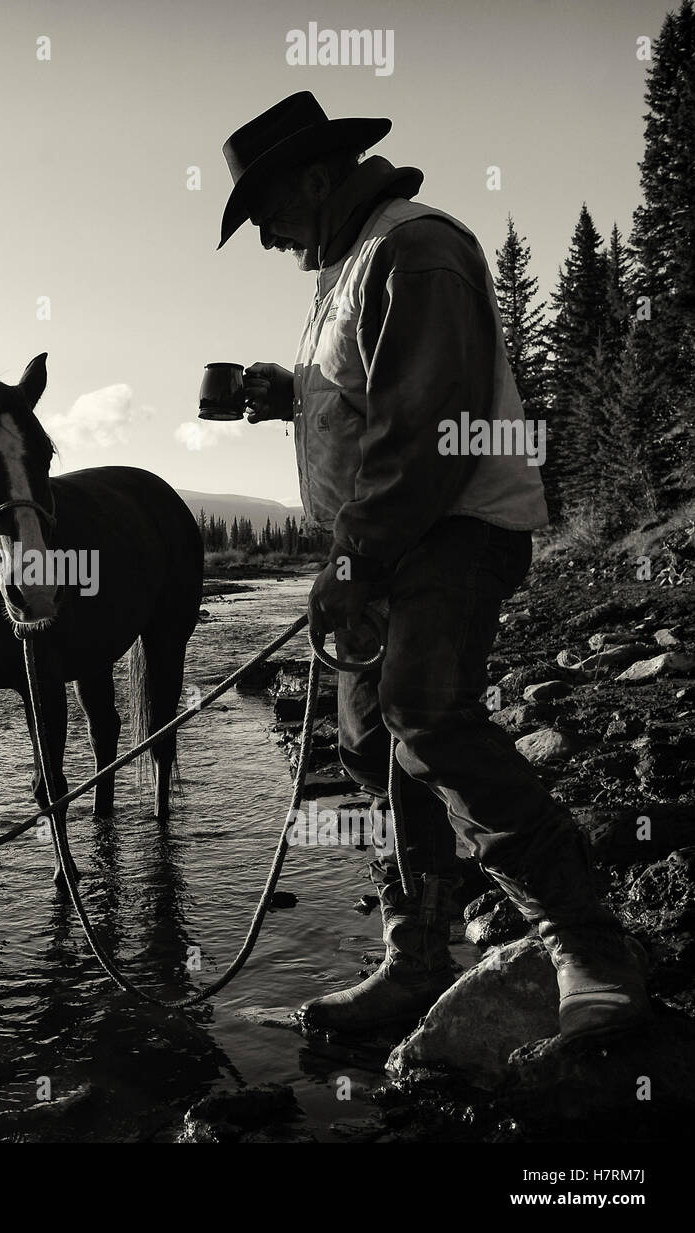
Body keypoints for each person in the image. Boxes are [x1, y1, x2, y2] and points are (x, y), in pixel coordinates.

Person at [218, 91, 649, 1039]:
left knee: (425, 714)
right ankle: (415, 955)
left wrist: (357, 558)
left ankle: (585, 937)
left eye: (266, 212)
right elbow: (367, 397)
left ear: (320, 178)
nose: (264, 237)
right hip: (388, 540)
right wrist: (281, 393)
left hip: (449, 530)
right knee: (375, 745)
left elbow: (427, 429)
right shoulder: (350, 265)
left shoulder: (414, 249)